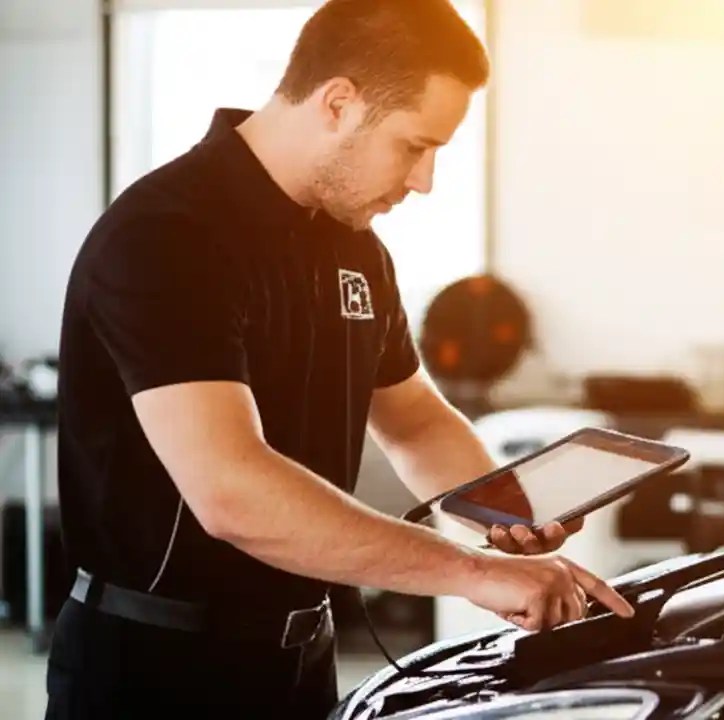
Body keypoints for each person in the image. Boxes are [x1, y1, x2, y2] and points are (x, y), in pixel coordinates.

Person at [47, 1, 633, 717]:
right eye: (414, 145)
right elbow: (231, 491)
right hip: (158, 670)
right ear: (338, 103)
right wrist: (469, 572)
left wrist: (503, 511)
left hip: (301, 661)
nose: (424, 181)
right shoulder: (166, 237)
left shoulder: (354, 247)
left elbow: (413, 418)